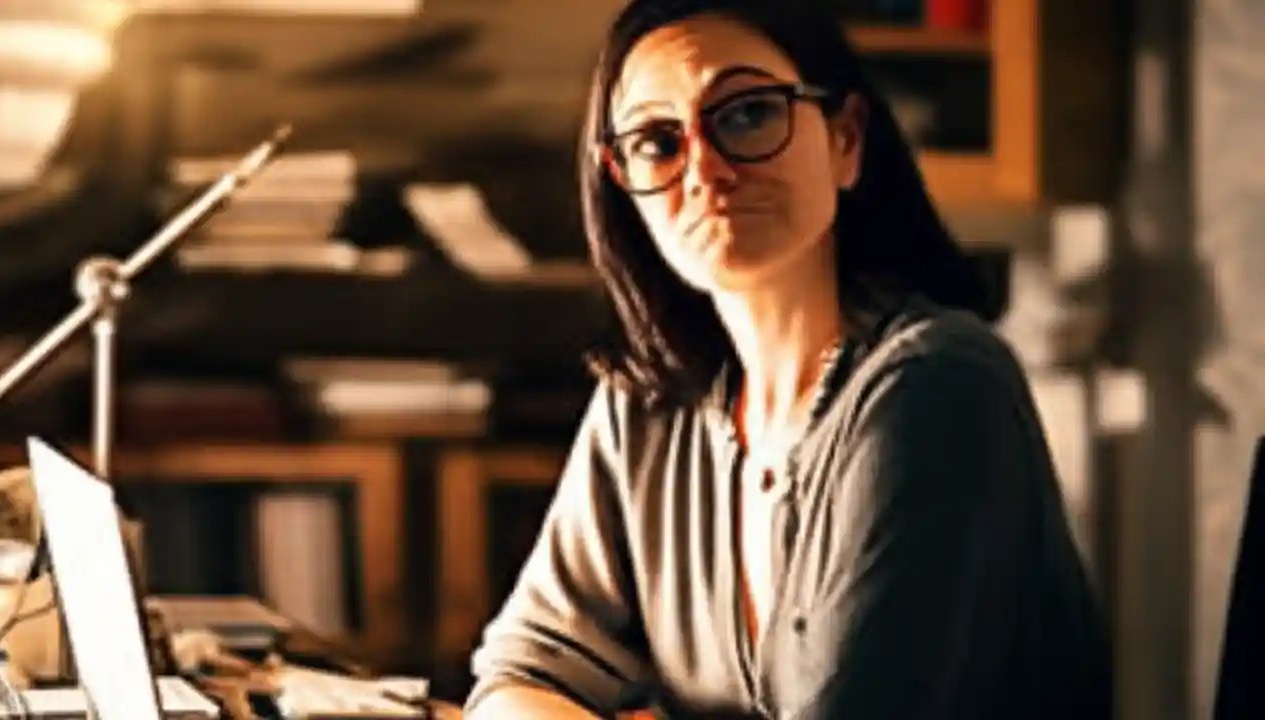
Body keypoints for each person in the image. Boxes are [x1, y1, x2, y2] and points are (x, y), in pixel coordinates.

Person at [465, 0, 1111, 717]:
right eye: (656, 141)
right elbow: (520, 671)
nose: (705, 169)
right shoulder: (648, 402)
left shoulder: (935, 386)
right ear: (622, 180)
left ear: (845, 139)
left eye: (746, 115)